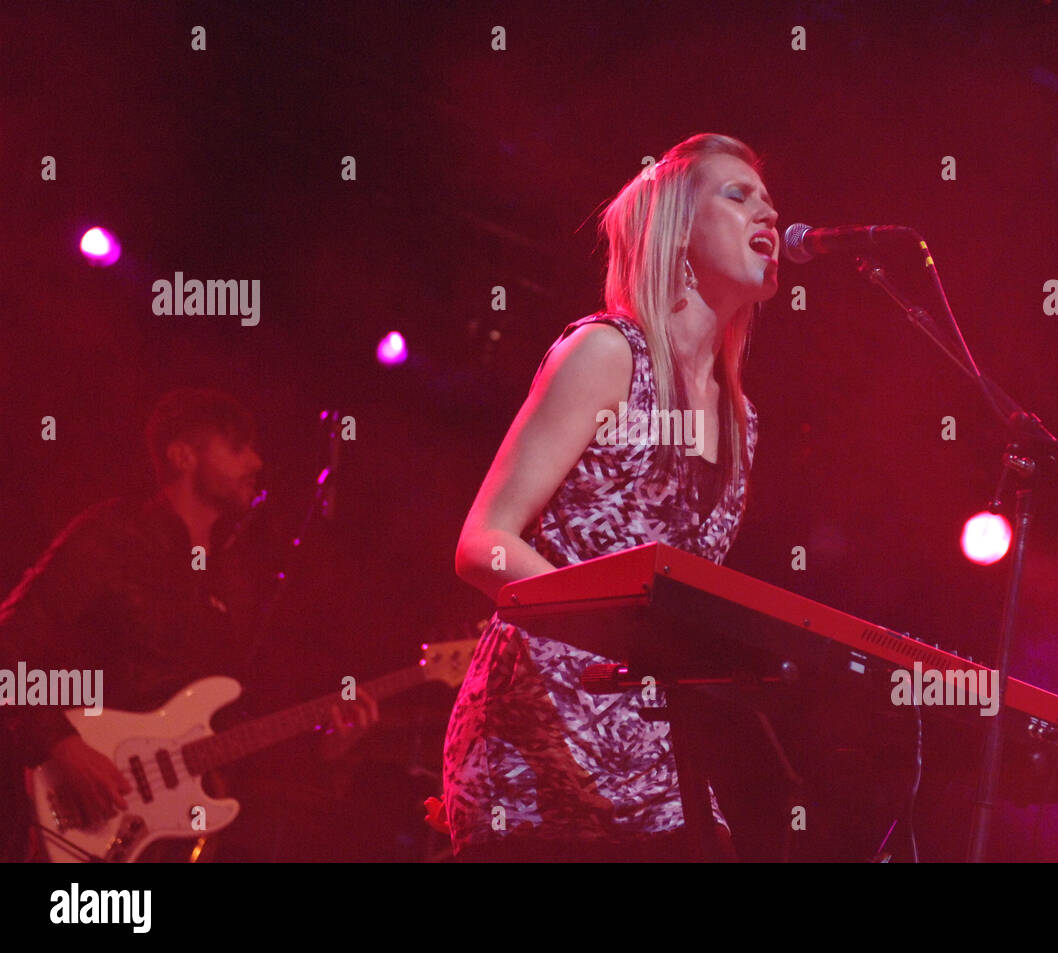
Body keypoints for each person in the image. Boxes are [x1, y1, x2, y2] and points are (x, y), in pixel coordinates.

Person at [442, 133, 779, 861]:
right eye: (738, 195)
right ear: (675, 230)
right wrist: (620, 630)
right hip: (540, 738)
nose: (770, 214)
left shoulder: (741, 418)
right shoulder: (606, 354)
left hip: (657, 755)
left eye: (769, 202)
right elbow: (484, 540)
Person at [0, 387, 375, 861]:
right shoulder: (112, 538)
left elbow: (230, 734)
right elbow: (7, 645)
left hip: (165, 841)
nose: (256, 462)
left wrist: (325, 751)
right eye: (238, 448)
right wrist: (61, 744)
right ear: (182, 455)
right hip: (66, 809)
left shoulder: (232, 579)